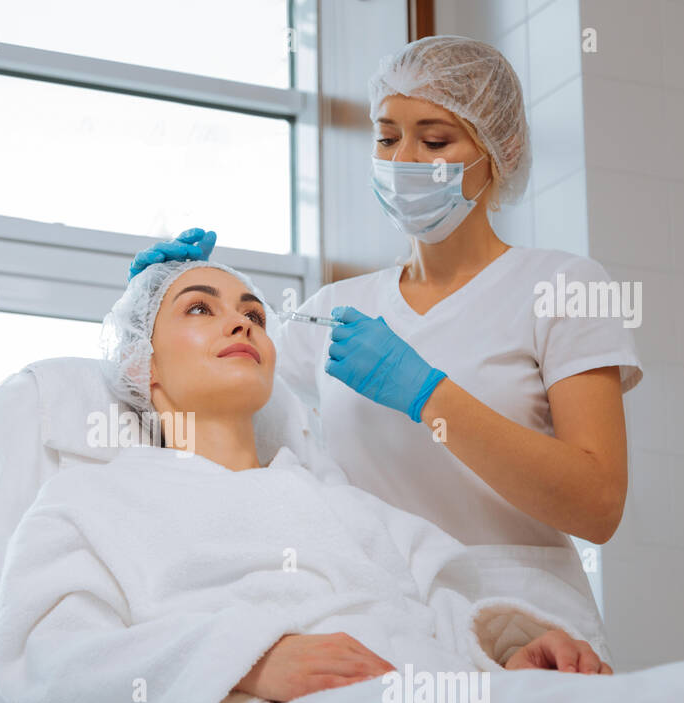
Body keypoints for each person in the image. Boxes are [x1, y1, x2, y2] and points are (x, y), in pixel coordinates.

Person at [0, 259, 684, 703]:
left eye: (254, 313)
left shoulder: (341, 502)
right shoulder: (93, 501)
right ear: (142, 366)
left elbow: (447, 606)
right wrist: (251, 662)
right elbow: (50, 662)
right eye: (200, 309)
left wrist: (514, 650)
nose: (241, 324)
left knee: (672, 696)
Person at [130, 36, 643, 646]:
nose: (403, 160)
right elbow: (193, 415)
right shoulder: (331, 315)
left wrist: (430, 396)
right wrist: (154, 305)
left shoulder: (561, 286)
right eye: (386, 136)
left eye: (434, 140)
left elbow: (598, 504)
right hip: (390, 620)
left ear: (496, 151)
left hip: (540, 629)